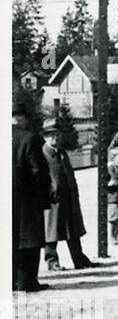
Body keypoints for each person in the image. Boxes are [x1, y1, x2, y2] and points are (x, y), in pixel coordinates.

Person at [42, 118, 97, 270]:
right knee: (51, 231)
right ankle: (52, 261)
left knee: (72, 230)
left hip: (68, 197)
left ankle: (80, 260)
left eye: (58, 134)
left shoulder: (62, 153)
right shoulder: (43, 153)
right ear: (45, 137)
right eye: (51, 135)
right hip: (53, 200)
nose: (55, 138)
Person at [12, 105, 52, 291]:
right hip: (25, 201)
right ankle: (26, 281)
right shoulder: (29, 138)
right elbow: (39, 172)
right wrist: (43, 197)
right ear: (23, 118)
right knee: (27, 240)